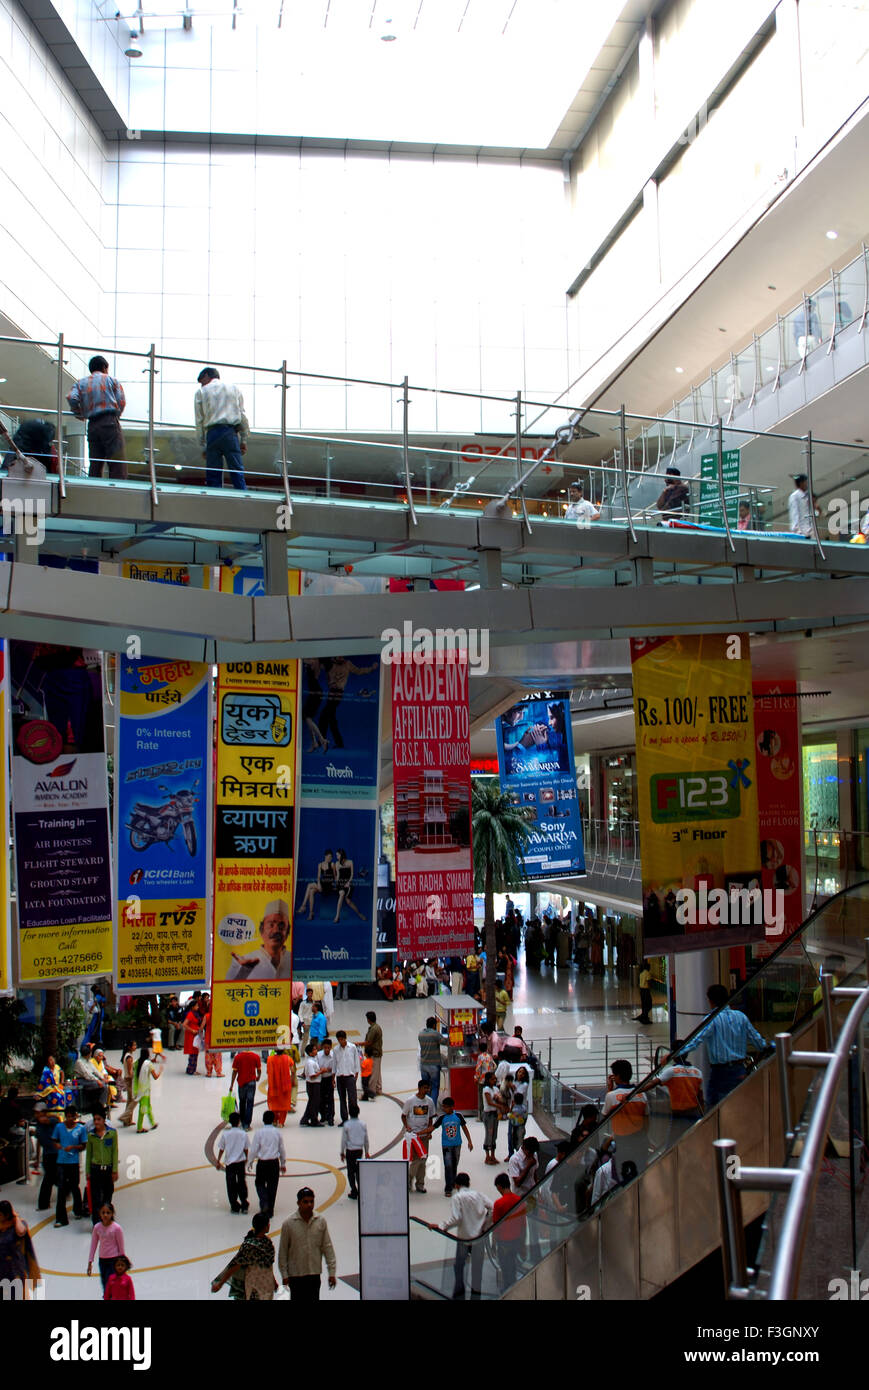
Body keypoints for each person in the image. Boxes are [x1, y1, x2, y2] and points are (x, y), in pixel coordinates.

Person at [679, 984, 771, 1107]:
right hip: (740, 1070)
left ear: (710, 1001)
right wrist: (771, 1046)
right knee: (739, 1107)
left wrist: (674, 1054)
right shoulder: (741, 1017)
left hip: (720, 1073)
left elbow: (695, 1041)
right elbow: (759, 1043)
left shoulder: (711, 1020)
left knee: (715, 1111)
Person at [67, 355, 127, 480]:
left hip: (92, 423)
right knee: (116, 461)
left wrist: (79, 413)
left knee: (95, 461)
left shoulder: (80, 383)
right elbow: (121, 401)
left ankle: (94, 487)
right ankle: (118, 490)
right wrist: (117, 415)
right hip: (109, 420)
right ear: (105, 367)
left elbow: (72, 398)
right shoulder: (111, 380)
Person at [434, 1172, 492, 1299]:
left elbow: (456, 1218)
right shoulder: (479, 1195)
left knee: (459, 1266)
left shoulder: (457, 1198)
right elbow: (492, 1207)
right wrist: (485, 1225)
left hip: (464, 1238)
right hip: (479, 1238)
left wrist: (442, 1226)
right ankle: (476, 1295)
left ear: (456, 1185)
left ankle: (459, 1294)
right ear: (469, 1183)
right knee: (477, 1269)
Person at [194, 366, 249, 490]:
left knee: (213, 473)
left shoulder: (201, 392)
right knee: (237, 470)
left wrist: (203, 445)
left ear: (207, 376)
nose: (202, 385)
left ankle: (215, 500)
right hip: (230, 432)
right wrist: (243, 439)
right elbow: (242, 415)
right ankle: (243, 497)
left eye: (202, 382)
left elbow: (199, 420)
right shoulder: (234, 388)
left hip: (212, 433)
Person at [277, 1187, 337, 1300]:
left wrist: (332, 1272)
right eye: (305, 1201)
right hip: (295, 1276)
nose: (309, 1204)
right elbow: (283, 1252)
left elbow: (327, 1247)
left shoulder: (320, 1221)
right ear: (298, 1203)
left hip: (314, 1275)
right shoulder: (288, 1224)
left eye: (311, 1201)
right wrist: (284, 1275)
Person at [642, 1043, 704, 1142]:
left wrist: (636, 1090)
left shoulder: (671, 1071)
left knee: (672, 1143)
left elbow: (652, 1084)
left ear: (673, 1055)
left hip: (679, 1115)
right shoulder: (698, 1072)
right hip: (694, 1113)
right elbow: (700, 1097)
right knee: (693, 1140)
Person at [212, 1211, 277, 1301]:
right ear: (266, 1226)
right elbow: (236, 1265)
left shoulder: (260, 1243)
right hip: (256, 1286)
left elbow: (268, 1264)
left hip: (264, 1285)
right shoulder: (257, 1245)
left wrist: (274, 1281)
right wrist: (220, 1283)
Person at [317, 656, 378, 751]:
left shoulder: (347, 664)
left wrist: (371, 668)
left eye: (342, 656)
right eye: (338, 656)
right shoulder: (330, 663)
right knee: (330, 718)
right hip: (331, 692)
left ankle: (323, 741)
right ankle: (336, 743)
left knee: (325, 715)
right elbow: (318, 665)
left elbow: (359, 671)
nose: (341, 658)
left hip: (338, 693)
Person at [602, 1059, 649, 1173]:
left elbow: (604, 1116)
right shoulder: (642, 1094)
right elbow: (647, 1120)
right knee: (640, 1170)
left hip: (623, 1141)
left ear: (617, 1076)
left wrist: (609, 1089)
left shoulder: (611, 1096)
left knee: (623, 1172)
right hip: (640, 1140)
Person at [227, 900, 291, 980]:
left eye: (281, 926)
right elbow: (227, 989)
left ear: (287, 932)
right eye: (271, 925)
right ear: (261, 931)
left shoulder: (293, 960)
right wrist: (245, 971)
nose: (276, 930)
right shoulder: (245, 961)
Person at [52, 1104, 88, 1227]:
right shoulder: (59, 1127)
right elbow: (54, 1140)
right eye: (68, 1117)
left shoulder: (80, 1129)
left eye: (72, 1117)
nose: (70, 1120)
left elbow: (84, 1145)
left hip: (73, 1162)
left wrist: (73, 1147)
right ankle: (60, 1218)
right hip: (61, 1162)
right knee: (61, 1189)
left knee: (74, 1186)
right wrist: (57, 1145)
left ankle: (78, 1209)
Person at [430, 1095, 473, 1195]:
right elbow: (432, 1128)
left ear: (451, 1107)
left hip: (457, 1144)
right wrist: (422, 1133)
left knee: (454, 1164)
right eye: (443, 1107)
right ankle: (448, 1187)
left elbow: (464, 1128)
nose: (444, 1109)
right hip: (446, 1145)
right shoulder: (442, 1117)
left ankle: (453, 1181)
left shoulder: (458, 1116)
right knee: (448, 1165)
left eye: (446, 1107)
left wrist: (469, 1141)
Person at [248, 1111, 286, 1218]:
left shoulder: (259, 1133)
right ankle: (270, 1210)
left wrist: (250, 1161)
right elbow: (281, 1149)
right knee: (272, 1186)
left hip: (262, 1163)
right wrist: (283, 1163)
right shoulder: (277, 1133)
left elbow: (254, 1149)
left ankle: (264, 1201)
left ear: (263, 1120)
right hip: (274, 1163)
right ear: (273, 1120)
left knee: (259, 1183)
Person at [492, 1172, 526, 1289]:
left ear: (500, 1186)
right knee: (513, 1265)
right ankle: (514, 1287)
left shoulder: (498, 1204)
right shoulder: (519, 1200)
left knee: (505, 1267)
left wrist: (493, 1244)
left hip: (503, 1242)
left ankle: (508, 1290)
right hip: (516, 1239)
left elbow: (496, 1227)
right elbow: (523, 1224)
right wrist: (523, 1244)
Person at [401, 1079, 436, 1193]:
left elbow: (430, 1117)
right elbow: (404, 1115)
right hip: (413, 1137)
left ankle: (420, 1184)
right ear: (419, 1088)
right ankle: (408, 1179)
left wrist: (429, 1132)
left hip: (424, 1136)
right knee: (415, 1160)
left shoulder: (429, 1101)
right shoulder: (410, 1101)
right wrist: (407, 1127)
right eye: (425, 1088)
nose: (427, 1090)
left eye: (428, 1088)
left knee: (423, 1160)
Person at [0, 1202, 40, 1300]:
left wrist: (16, 1218)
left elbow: (21, 1231)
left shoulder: (18, 1224)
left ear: (7, 1214)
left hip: (14, 1269)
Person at [85, 1107, 118, 1223]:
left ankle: (108, 1220)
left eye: (99, 1119)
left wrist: (115, 1170)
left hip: (108, 1170)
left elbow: (115, 1152)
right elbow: (89, 1154)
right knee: (96, 1198)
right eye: (95, 1120)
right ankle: (96, 1223)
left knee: (108, 1196)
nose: (96, 1122)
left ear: (104, 1120)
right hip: (95, 1170)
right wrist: (87, 1171)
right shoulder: (91, 1136)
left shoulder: (112, 1134)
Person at [86, 1202, 126, 1293]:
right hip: (102, 1260)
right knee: (104, 1283)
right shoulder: (97, 1228)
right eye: (103, 1212)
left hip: (114, 1260)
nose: (105, 1215)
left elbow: (121, 1247)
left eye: (108, 1213)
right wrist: (90, 1261)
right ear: (99, 1213)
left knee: (111, 1283)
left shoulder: (117, 1228)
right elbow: (93, 1245)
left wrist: (122, 1263)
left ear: (112, 1214)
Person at [216, 1112, 250, 1214]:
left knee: (231, 1184)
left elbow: (222, 1148)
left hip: (230, 1163)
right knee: (241, 1183)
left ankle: (234, 1205)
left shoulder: (226, 1134)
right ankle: (244, 1203)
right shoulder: (243, 1134)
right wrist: (246, 1158)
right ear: (239, 1121)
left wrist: (218, 1160)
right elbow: (246, 1148)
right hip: (240, 1162)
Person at [340, 1104, 369, 1199]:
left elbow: (344, 1140)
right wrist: (367, 1151)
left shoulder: (347, 1125)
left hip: (350, 1151)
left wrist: (342, 1152)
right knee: (358, 1171)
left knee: (350, 1172)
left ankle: (354, 1190)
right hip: (359, 1151)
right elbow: (366, 1139)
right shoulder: (363, 1124)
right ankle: (361, 1189)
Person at [229, 1046, 261, 1131]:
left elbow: (234, 1072)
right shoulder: (255, 1056)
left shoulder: (238, 1057)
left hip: (241, 1082)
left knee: (242, 1102)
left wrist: (231, 1084)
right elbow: (259, 1070)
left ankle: (242, 1121)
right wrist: (258, 1077)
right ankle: (247, 1124)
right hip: (251, 1082)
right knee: (250, 1103)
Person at [34, 1104, 59, 1211]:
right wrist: (37, 1158)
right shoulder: (38, 1125)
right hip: (47, 1154)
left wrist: (47, 1117)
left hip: (56, 1153)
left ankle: (43, 1204)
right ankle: (66, 1189)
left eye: (38, 1112)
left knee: (49, 1178)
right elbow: (39, 1141)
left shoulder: (51, 1120)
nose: (36, 1114)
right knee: (52, 1178)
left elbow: (54, 1120)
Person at [298, 849, 335, 920]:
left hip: (329, 885)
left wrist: (335, 884)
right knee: (311, 891)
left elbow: (335, 876)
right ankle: (311, 914)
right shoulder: (320, 864)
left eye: (331, 857)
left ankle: (303, 906)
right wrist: (319, 884)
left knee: (309, 885)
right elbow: (318, 876)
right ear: (325, 856)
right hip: (322, 884)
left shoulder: (332, 864)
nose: (330, 858)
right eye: (329, 857)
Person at [417, 1015, 446, 1106]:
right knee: (434, 1086)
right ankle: (432, 1107)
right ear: (434, 1025)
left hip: (424, 1064)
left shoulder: (421, 1034)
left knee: (426, 1086)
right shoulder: (435, 1034)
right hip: (434, 1064)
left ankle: (426, 1105)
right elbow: (445, 1042)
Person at [134, 1044, 163, 1133]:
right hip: (145, 1090)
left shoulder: (136, 1062)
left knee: (146, 1106)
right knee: (143, 1108)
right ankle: (139, 1127)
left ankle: (152, 1122)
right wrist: (160, 1071)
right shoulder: (148, 1064)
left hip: (137, 1089)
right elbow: (155, 1077)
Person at [333, 1031, 360, 1122]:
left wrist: (356, 1073)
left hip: (350, 1076)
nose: (340, 1041)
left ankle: (354, 1117)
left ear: (345, 1038)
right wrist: (333, 1076)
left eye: (342, 1039)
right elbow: (334, 1063)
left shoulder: (352, 1047)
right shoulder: (336, 1049)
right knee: (342, 1098)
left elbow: (356, 1061)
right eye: (339, 1040)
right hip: (340, 1076)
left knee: (352, 1098)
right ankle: (344, 1118)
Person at [73, 1045, 108, 1111]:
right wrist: (97, 1080)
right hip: (82, 1080)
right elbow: (87, 1074)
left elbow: (95, 1070)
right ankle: (101, 1105)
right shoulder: (79, 1062)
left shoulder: (88, 1061)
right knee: (102, 1085)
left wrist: (102, 1078)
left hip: (90, 1079)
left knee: (104, 1085)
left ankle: (101, 1103)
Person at [266, 1046, 294, 1126]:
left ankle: (274, 1120)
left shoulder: (269, 1059)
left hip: (273, 1084)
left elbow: (268, 1071)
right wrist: (291, 1080)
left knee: (274, 1102)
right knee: (284, 1103)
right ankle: (281, 1122)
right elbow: (292, 1071)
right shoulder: (288, 1058)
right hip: (285, 1085)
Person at [482, 1071, 506, 1165]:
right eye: (492, 1079)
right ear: (488, 1080)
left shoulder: (496, 1089)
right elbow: (489, 1102)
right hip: (488, 1114)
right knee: (489, 1134)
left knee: (494, 1135)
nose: (494, 1080)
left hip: (495, 1114)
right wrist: (499, 1106)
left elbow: (499, 1098)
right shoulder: (486, 1089)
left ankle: (493, 1155)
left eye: (495, 1079)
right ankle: (487, 1156)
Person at [506, 1067, 530, 1157]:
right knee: (510, 1133)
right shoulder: (513, 1083)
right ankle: (510, 1154)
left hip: (521, 1113)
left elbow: (518, 1095)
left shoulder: (525, 1084)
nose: (520, 1074)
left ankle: (520, 1154)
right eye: (519, 1072)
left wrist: (513, 1088)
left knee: (519, 1133)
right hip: (513, 1111)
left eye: (523, 1073)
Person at [300, 1043, 324, 1127]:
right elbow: (312, 1075)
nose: (316, 1050)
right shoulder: (310, 1063)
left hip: (314, 1084)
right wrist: (321, 1072)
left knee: (311, 1102)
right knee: (314, 1103)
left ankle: (305, 1119)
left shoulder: (313, 1060)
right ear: (310, 1053)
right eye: (314, 1050)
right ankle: (314, 1120)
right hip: (313, 1084)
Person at [788, 473, 817, 537]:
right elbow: (794, 512)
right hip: (801, 531)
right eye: (805, 482)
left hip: (810, 529)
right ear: (801, 483)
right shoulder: (795, 496)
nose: (807, 484)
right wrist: (797, 529)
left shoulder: (807, 495)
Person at [317, 1036, 336, 1124]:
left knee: (330, 1099)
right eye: (325, 1048)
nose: (327, 1050)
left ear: (331, 1047)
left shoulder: (333, 1056)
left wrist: (328, 1071)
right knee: (321, 1098)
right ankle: (323, 1116)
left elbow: (335, 1068)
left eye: (328, 1048)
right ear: (322, 1047)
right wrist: (321, 1070)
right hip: (321, 1079)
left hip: (329, 1078)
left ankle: (331, 1117)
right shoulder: (318, 1055)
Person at [364, 1011, 383, 1095]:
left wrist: (358, 1044)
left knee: (373, 1074)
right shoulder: (375, 1027)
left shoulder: (374, 1029)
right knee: (377, 1072)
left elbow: (369, 1042)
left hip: (374, 1053)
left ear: (368, 1019)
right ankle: (378, 1089)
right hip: (377, 1053)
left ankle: (371, 1091)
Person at [183, 999, 204, 1075]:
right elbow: (184, 1024)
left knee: (195, 1052)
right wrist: (192, 1030)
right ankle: (190, 1070)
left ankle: (193, 1069)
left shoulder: (196, 1014)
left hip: (196, 1035)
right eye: (196, 1006)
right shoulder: (190, 1014)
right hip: (191, 1036)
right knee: (192, 1052)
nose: (198, 1007)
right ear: (192, 1007)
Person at [634, 958, 653, 1024]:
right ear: (648, 967)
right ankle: (643, 1017)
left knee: (644, 1004)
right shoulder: (647, 973)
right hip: (646, 990)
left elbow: (639, 982)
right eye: (649, 967)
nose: (650, 968)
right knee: (649, 1004)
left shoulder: (641, 973)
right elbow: (649, 982)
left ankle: (644, 1017)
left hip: (641, 990)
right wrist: (650, 989)